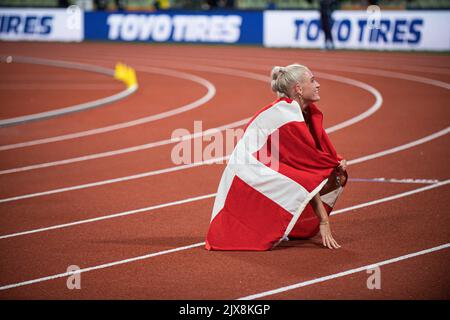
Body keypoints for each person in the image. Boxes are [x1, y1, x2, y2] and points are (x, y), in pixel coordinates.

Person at [205, 64, 348, 251]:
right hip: (250, 167)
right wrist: (324, 220)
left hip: (266, 163)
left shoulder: (304, 112)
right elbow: (308, 167)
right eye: (312, 81)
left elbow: (316, 152)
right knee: (307, 179)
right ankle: (298, 223)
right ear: (298, 88)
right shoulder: (285, 115)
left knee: (334, 174)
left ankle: (295, 225)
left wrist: (336, 161)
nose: (318, 85)